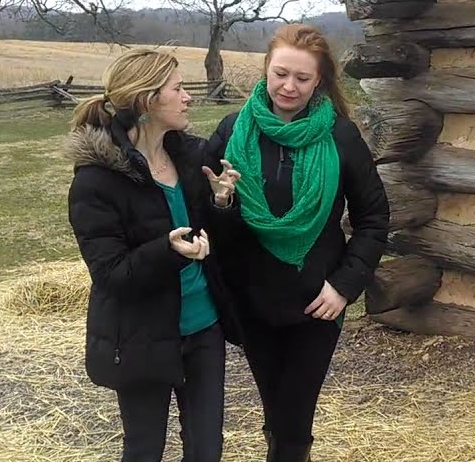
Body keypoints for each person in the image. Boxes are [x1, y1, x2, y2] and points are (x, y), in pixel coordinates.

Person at [203, 24, 389, 462]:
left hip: (316, 303)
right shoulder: (233, 132)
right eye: (281, 73)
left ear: (319, 81)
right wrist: (222, 201)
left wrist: (345, 285)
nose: (289, 86)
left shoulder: (341, 137)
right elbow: (211, 220)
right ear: (266, 69)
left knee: (293, 421)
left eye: (302, 79)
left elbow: (374, 218)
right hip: (252, 303)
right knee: (276, 412)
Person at [65, 48, 243, 462]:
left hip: (203, 328)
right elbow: (111, 273)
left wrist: (220, 203)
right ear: (147, 100)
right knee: (145, 451)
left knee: (206, 452)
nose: (188, 98)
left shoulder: (191, 158)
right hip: (141, 335)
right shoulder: (96, 182)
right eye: (178, 89)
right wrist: (168, 251)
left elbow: (217, 241)